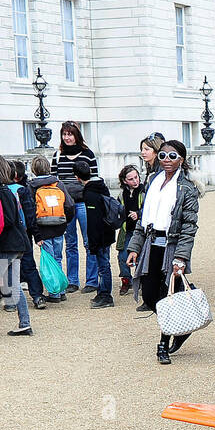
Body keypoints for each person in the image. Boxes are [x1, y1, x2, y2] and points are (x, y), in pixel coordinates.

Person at [126, 139, 201, 364]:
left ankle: (163, 344)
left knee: (167, 297)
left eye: (172, 156)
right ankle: (181, 329)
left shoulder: (187, 189)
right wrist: (134, 247)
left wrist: (181, 257)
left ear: (182, 159)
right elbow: (143, 220)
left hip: (172, 247)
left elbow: (189, 227)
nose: (167, 160)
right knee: (149, 296)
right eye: (163, 156)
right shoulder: (152, 182)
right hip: (151, 244)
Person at [0, 153, 32, 337]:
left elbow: (7, 219)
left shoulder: (1, 192)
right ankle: (24, 323)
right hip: (16, 244)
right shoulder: (6, 191)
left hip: (6, 245)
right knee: (13, 284)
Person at [52, 121, 99, 293]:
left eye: (70, 134)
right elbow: (53, 180)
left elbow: (94, 178)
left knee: (89, 242)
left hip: (84, 203)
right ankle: (72, 280)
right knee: (70, 243)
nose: (67, 137)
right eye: (64, 134)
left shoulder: (88, 154)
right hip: (66, 205)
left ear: (76, 135)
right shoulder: (58, 155)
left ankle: (92, 280)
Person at [27, 154, 72, 304]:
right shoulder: (58, 184)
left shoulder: (32, 186)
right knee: (58, 259)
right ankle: (61, 290)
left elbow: (31, 212)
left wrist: (35, 233)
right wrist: (65, 221)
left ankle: (54, 292)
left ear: (34, 169)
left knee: (49, 260)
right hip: (59, 226)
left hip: (43, 228)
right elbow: (69, 205)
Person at [75, 158, 116, 308]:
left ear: (77, 177)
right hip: (107, 231)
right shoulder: (100, 186)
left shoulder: (90, 193)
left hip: (100, 234)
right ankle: (102, 291)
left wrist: (93, 242)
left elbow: (93, 221)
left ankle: (106, 295)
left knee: (103, 265)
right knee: (103, 264)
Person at [8, 159, 44, 311]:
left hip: (13, 234)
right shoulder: (21, 189)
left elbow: (29, 215)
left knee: (10, 266)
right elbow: (30, 216)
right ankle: (37, 296)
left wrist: (36, 234)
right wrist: (36, 235)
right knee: (28, 264)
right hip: (22, 233)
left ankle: (11, 298)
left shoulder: (10, 190)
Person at [117, 164, 144, 300]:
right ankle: (126, 280)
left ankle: (140, 281)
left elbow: (149, 208)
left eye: (136, 177)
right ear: (124, 181)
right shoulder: (122, 194)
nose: (135, 181)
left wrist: (139, 214)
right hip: (126, 229)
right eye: (131, 179)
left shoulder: (144, 191)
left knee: (141, 257)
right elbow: (117, 209)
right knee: (122, 256)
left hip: (141, 230)